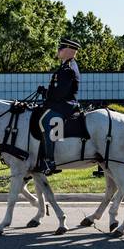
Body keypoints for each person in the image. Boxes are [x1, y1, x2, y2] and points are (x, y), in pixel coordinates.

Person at [35, 38, 81, 175]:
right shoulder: (66, 65)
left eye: (61, 48)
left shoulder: (68, 68)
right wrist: (46, 92)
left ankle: (50, 160)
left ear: (68, 50)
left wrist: (46, 93)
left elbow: (61, 92)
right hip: (61, 103)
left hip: (66, 105)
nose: (58, 51)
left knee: (45, 121)